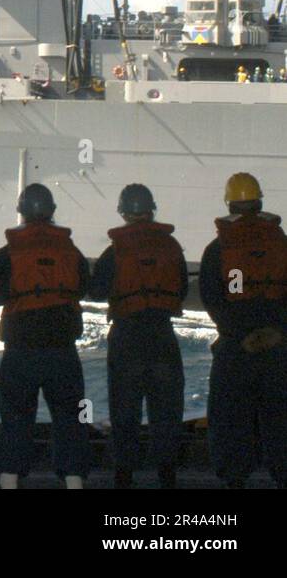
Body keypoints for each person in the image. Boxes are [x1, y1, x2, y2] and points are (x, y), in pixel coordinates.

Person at [0, 182, 91, 489]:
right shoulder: (71, 250)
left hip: (20, 352)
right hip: (63, 352)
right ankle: (74, 483)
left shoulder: (6, 253)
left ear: (21, 213)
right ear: (52, 212)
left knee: (15, 421)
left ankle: (9, 482)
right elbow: (83, 287)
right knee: (71, 420)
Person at [87, 183, 187, 489]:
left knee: (124, 413)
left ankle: (124, 478)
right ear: (151, 210)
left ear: (123, 213)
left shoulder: (115, 249)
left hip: (127, 336)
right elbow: (181, 289)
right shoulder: (171, 246)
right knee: (166, 414)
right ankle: (167, 479)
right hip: (162, 336)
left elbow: (96, 290)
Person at [199, 172, 287, 488]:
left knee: (229, 418)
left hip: (237, 349)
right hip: (278, 347)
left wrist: (239, 335)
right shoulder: (281, 242)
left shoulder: (218, 248)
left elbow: (212, 298)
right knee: (279, 419)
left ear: (230, 202)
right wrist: (278, 332)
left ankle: (234, 478)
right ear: (259, 201)